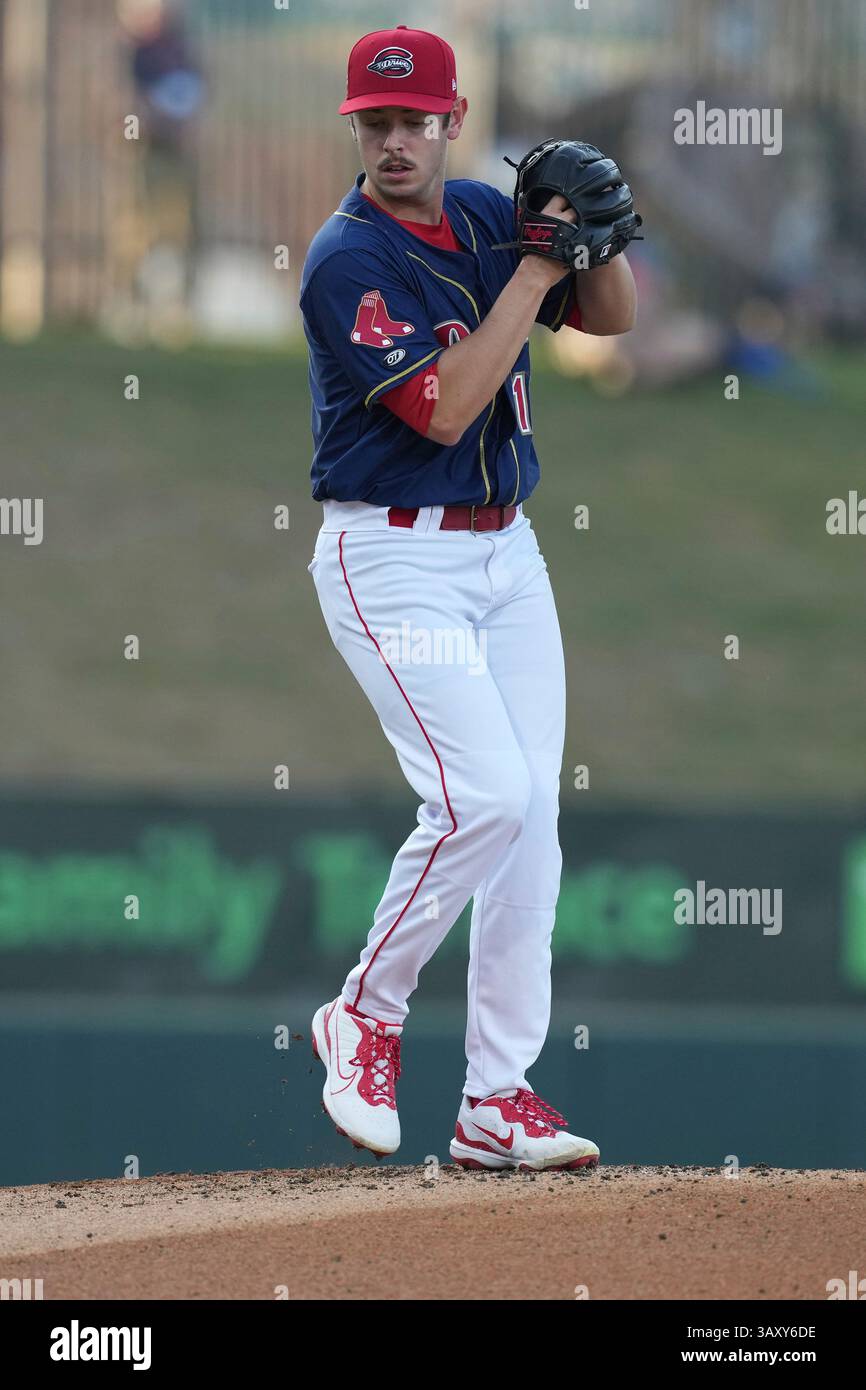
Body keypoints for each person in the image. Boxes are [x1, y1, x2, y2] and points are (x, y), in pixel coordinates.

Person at [300, 25, 636, 1171]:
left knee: (530, 821)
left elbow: (612, 319)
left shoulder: (490, 218)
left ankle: (494, 1096)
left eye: (415, 120)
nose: (395, 141)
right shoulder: (343, 258)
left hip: (505, 554)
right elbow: (442, 411)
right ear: (356, 127)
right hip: (389, 557)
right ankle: (365, 1013)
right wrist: (542, 265)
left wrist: (597, 231)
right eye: (376, 122)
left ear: (449, 121)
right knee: (481, 797)